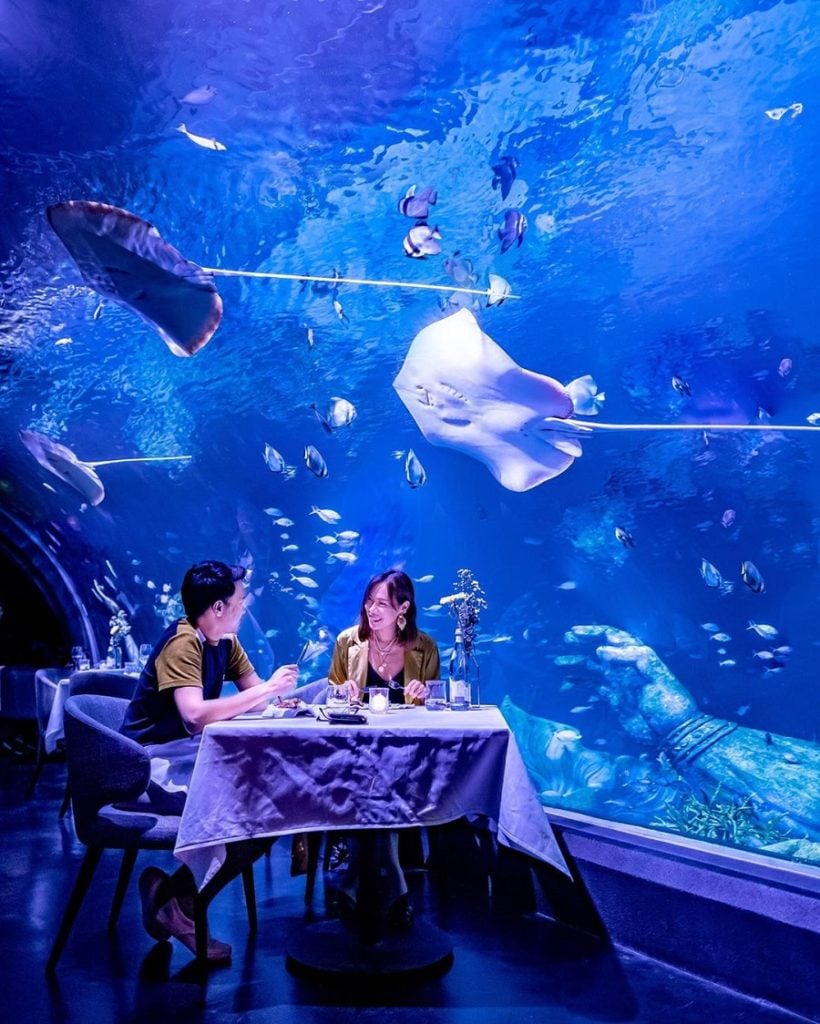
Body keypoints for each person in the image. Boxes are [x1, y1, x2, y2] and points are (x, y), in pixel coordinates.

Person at [121, 559, 298, 962]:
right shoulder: (183, 643)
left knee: (270, 809)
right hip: (151, 765)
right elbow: (194, 714)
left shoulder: (225, 642)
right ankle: (178, 906)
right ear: (218, 607)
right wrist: (265, 691)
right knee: (246, 812)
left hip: (191, 756)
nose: (244, 605)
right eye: (239, 599)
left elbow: (254, 697)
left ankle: (171, 899)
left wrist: (280, 697)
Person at [327, 569, 440, 933]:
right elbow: (331, 696)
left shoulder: (425, 648)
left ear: (402, 608)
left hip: (406, 755)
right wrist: (343, 692)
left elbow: (434, 711)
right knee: (370, 785)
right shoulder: (348, 642)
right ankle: (395, 885)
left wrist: (425, 697)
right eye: (369, 601)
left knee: (383, 784)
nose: (372, 610)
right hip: (353, 753)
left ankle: (354, 884)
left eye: (382, 603)